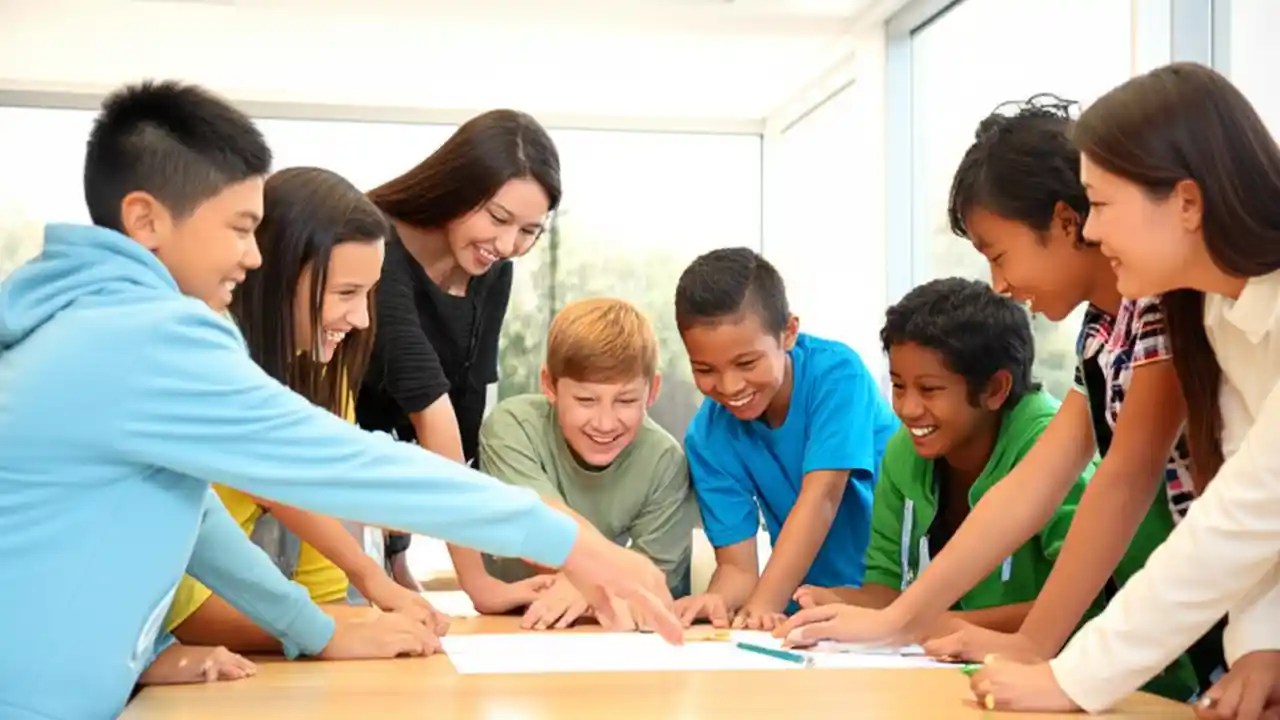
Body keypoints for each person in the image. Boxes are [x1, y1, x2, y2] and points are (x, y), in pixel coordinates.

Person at [0, 80, 679, 720]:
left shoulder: (90, 324)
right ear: (146, 218)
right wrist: (574, 545)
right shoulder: (141, 337)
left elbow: (193, 516)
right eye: (239, 228)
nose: (254, 257)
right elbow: (346, 465)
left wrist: (309, 630)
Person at [776, 94, 1206, 702]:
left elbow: (1123, 481)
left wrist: (1032, 643)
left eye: (998, 254)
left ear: (1065, 221)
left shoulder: (1163, 306)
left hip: (1203, 629)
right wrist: (902, 620)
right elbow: (1031, 487)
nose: (1000, 284)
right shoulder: (1102, 329)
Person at [962, 62, 1280, 717]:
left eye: (1102, 205)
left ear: (1187, 203)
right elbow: (1247, 493)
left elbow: (1245, 512)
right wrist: (1261, 642)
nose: (1093, 229)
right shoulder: (1220, 313)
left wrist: (1074, 677)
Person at [163, 166, 446, 654]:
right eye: (344, 294)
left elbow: (310, 508)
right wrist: (331, 629)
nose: (360, 319)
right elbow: (184, 610)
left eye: (368, 294)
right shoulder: (200, 371)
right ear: (275, 275)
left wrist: (358, 603)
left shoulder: (323, 371)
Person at [796, 277, 1095, 636]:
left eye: (929, 389)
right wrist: (837, 603)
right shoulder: (903, 452)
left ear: (995, 389)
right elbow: (887, 590)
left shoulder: (1053, 450)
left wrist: (930, 625)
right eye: (898, 385)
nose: (907, 408)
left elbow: (1088, 606)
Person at [358, 110, 561, 611]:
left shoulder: (494, 268)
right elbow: (428, 404)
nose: (507, 244)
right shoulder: (373, 243)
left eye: (528, 231)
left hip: (396, 500)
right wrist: (479, 584)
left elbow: (468, 402)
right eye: (498, 218)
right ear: (456, 186)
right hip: (341, 476)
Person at [671, 247, 899, 631]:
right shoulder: (707, 438)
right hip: (801, 613)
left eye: (747, 363)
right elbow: (737, 568)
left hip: (889, 604)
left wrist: (761, 606)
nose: (729, 387)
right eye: (705, 369)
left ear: (789, 333)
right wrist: (718, 600)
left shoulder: (838, 374)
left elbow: (822, 498)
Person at [479, 298, 698, 630]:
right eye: (585, 400)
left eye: (625, 400)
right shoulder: (512, 427)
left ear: (652, 391)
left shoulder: (665, 462)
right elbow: (535, 519)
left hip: (603, 631)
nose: (605, 423)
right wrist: (598, 577)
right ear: (549, 385)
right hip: (510, 624)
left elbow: (649, 581)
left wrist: (588, 583)